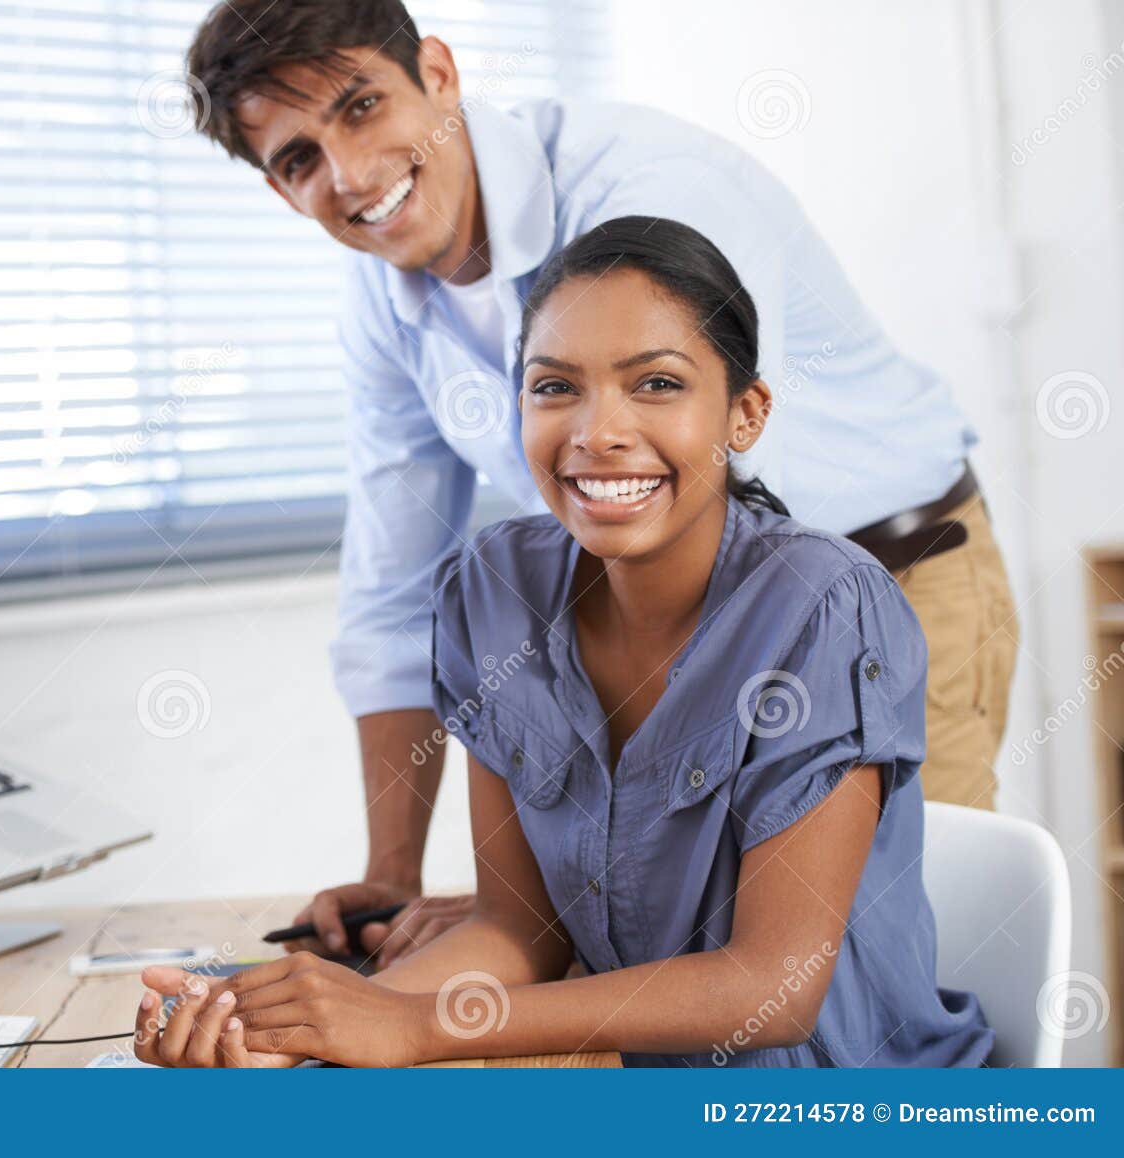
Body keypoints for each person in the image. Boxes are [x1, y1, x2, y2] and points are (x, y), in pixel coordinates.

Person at [184, 0, 1019, 968]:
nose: (350, 174)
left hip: (890, 581)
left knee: (894, 967)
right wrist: (400, 878)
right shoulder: (383, 300)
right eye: (297, 159)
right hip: (685, 620)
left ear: (439, 76)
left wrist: (537, 904)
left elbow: (718, 505)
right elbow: (391, 590)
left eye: (362, 106)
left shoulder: (648, 197)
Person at [131, 218, 994, 1068]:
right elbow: (518, 931)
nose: (596, 431)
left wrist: (420, 1027)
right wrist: (296, 1025)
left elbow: (771, 989)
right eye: (554, 388)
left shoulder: (823, 605)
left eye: (656, 384)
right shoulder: (490, 591)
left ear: (745, 413)